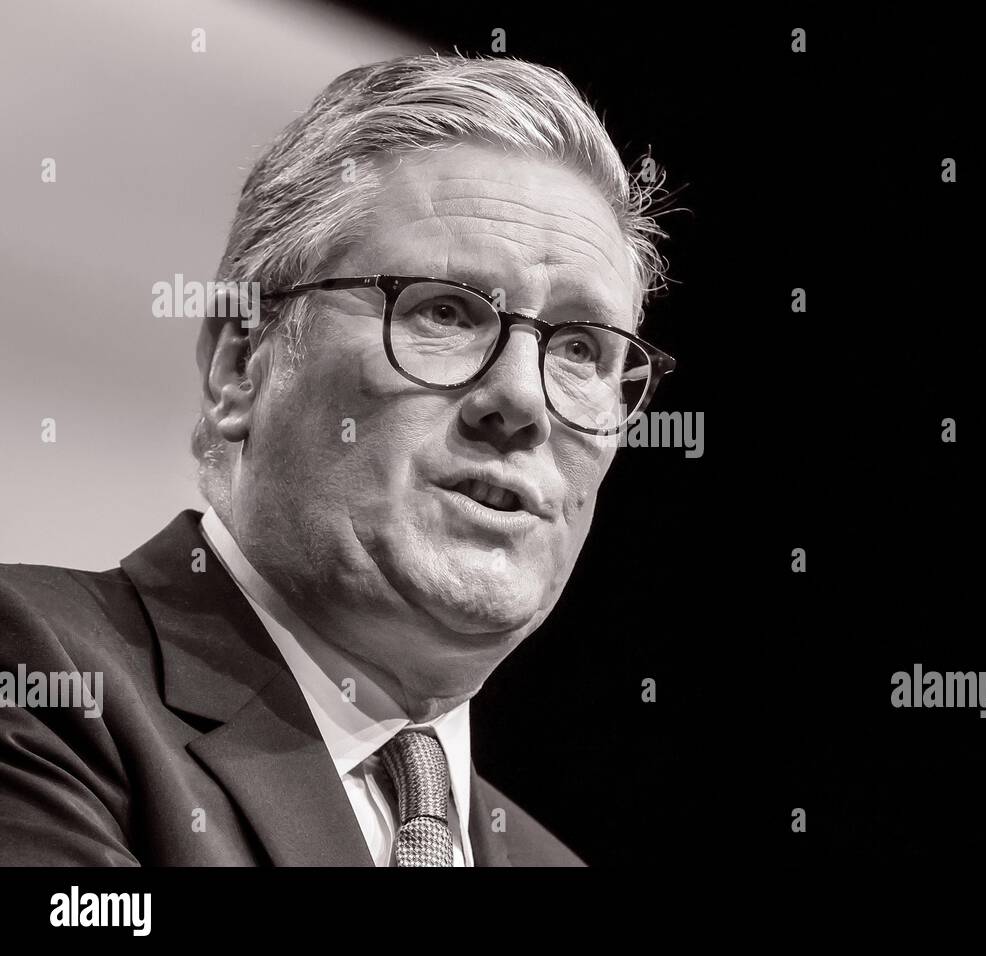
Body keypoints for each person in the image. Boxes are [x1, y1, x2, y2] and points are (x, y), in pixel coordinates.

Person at [0, 54, 676, 866]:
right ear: (242, 364)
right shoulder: (45, 682)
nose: (522, 401)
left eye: (579, 349)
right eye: (446, 312)